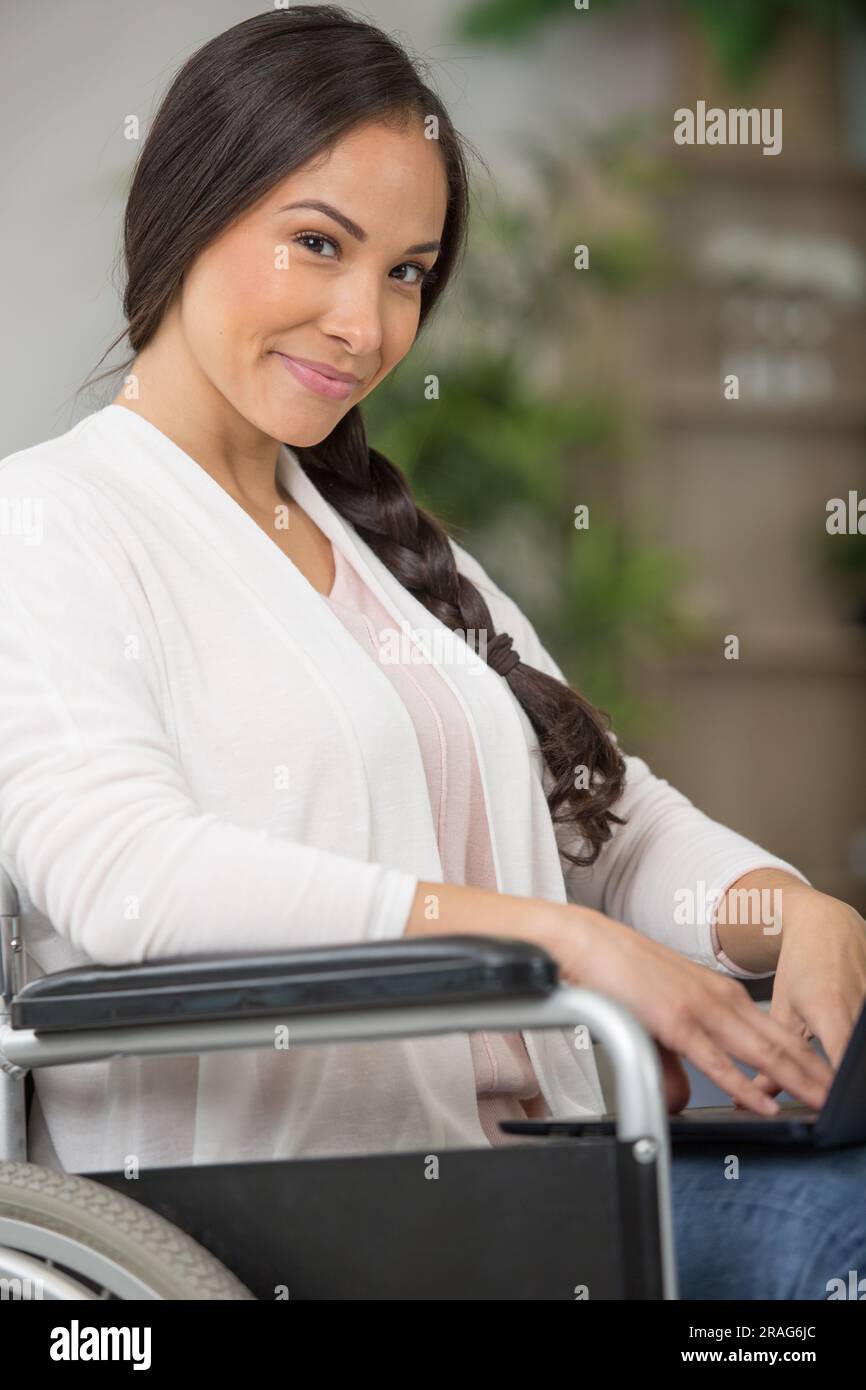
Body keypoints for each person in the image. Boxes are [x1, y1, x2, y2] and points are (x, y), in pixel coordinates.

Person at [1, 7, 864, 1300]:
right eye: (317, 245)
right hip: (272, 1214)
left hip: (529, 1172)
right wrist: (551, 944)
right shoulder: (49, 521)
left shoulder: (389, 554)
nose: (365, 324)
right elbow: (125, 877)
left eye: (406, 272)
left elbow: (613, 827)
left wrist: (789, 909)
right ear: (184, 209)